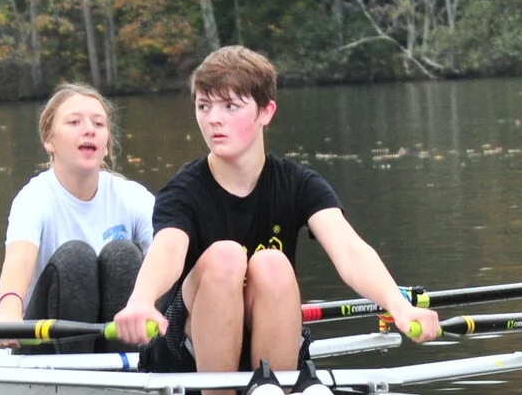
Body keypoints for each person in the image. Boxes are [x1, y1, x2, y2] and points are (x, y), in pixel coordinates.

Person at [112, 46, 437, 377]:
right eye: (203, 106)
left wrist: (398, 306)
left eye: (230, 106)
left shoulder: (298, 183)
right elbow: (167, 250)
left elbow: (350, 251)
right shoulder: (183, 190)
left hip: (268, 336)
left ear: (266, 112)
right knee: (226, 256)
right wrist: (141, 300)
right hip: (187, 353)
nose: (213, 119)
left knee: (271, 262)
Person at [0, 84, 154, 348]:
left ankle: (128, 363)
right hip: (45, 343)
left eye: (98, 123)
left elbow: (170, 255)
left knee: (123, 254)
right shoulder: (34, 198)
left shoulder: (133, 197)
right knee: (76, 257)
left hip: (121, 342)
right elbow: (18, 259)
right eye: (74, 122)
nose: (89, 129)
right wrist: (9, 313)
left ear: (106, 146)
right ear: (50, 141)